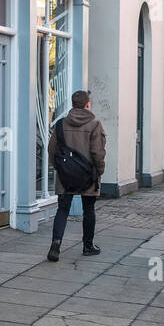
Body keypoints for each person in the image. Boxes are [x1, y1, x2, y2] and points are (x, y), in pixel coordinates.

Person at [47, 89, 107, 262]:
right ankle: (88, 246)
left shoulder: (60, 124)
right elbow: (97, 152)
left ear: (72, 104)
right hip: (88, 175)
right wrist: (99, 170)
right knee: (89, 209)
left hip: (65, 176)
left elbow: (52, 150)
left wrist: (60, 168)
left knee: (62, 209)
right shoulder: (95, 124)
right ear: (88, 104)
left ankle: (55, 245)